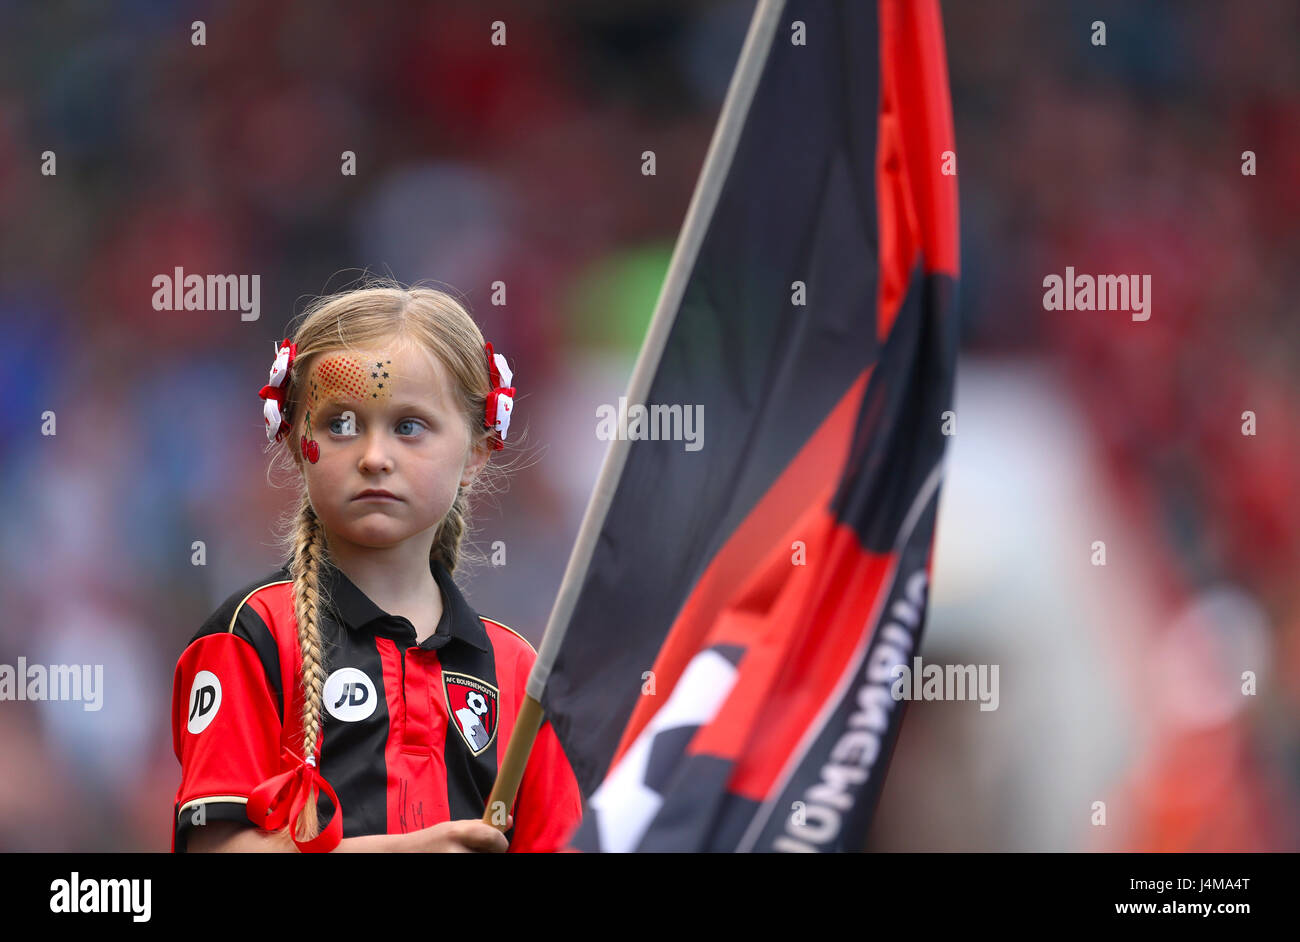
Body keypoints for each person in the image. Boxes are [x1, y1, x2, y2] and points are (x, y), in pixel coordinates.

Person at [170, 281, 582, 852]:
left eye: (409, 426)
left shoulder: (516, 670)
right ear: (293, 441)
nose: (374, 457)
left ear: (477, 452)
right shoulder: (252, 635)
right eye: (339, 423)